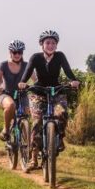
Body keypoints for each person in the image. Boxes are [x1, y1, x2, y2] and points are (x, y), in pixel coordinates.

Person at [17, 30, 80, 169]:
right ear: (42, 44)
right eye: (47, 42)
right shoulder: (35, 57)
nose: (50, 45)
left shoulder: (60, 56)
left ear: (56, 45)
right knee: (37, 122)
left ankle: (59, 138)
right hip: (39, 92)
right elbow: (27, 73)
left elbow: (68, 71)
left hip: (56, 92)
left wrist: (74, 81)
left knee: (62, 113)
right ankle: (33, 159)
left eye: (53, 43)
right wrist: (22, 82)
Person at [0, 40, 28, 143]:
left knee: (26, 115)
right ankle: (6, 129)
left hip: (22, 95)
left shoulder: (26, 65)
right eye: (15, 52)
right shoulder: (3, 65)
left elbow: (36, 79)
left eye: (20, 52)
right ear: (10, 52)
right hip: (6, 93)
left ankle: (29, 147)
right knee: (11, 105)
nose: (17, 55)